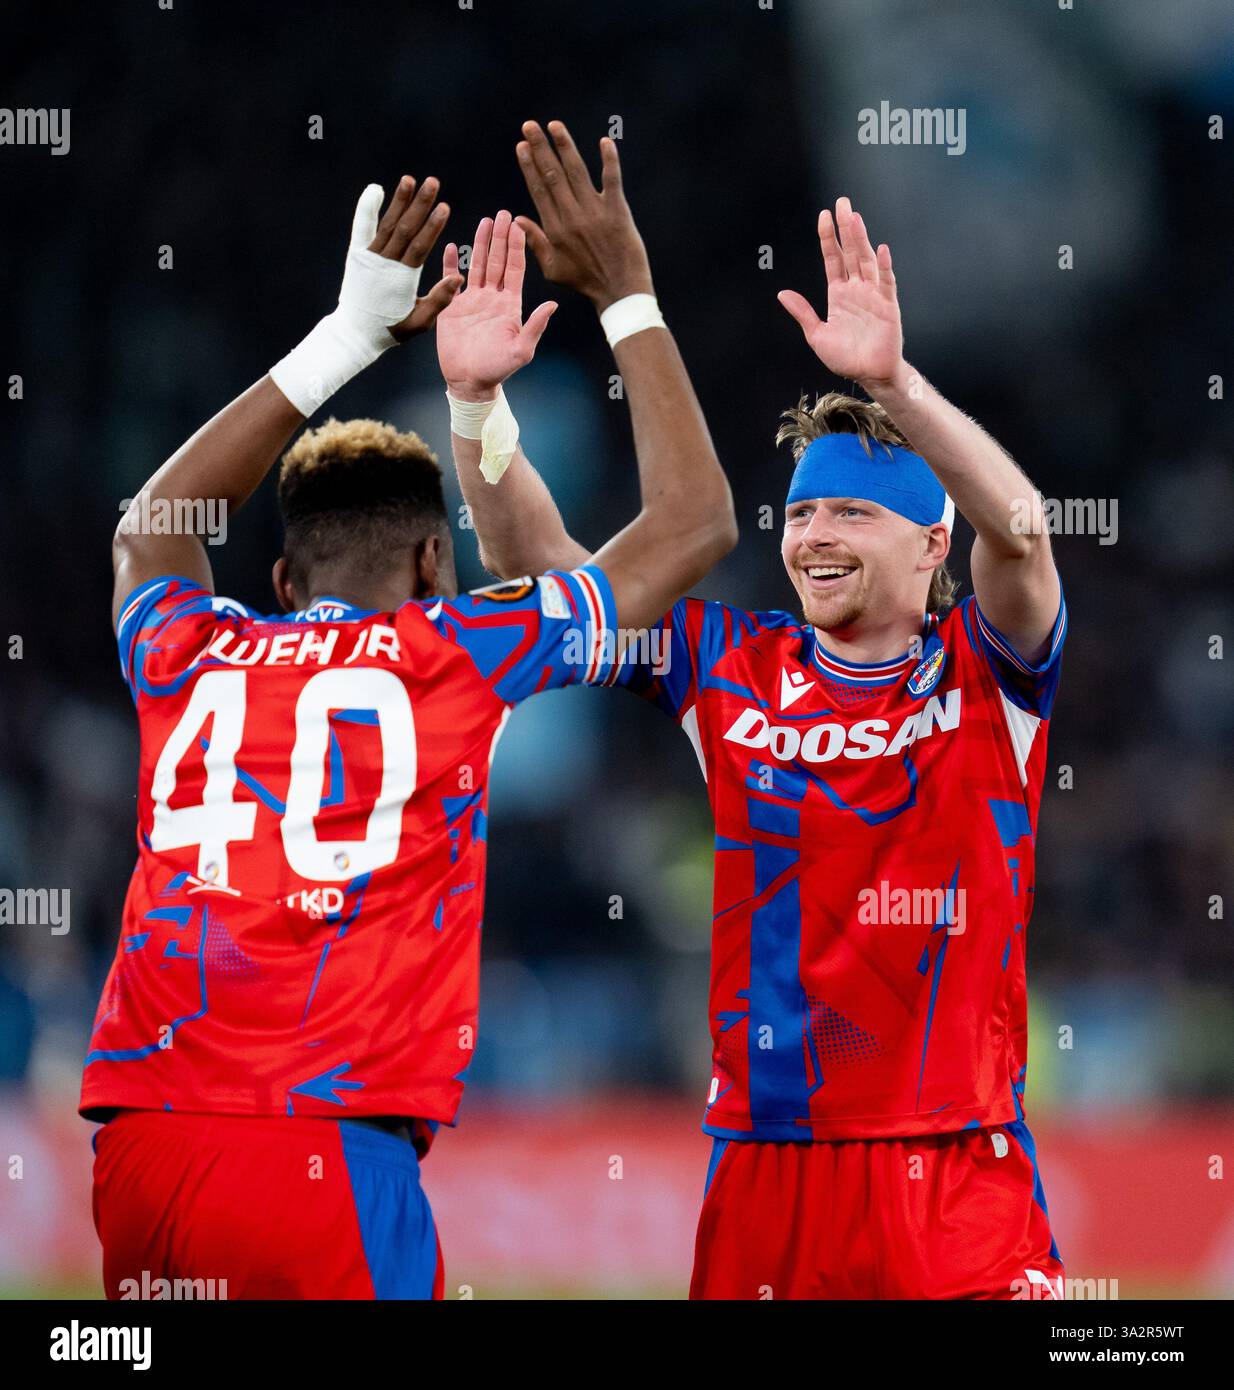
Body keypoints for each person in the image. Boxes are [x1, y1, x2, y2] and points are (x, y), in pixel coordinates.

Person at [83, 148, 735, 1299]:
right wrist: (624, 286)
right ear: (438, 560)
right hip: (319, 1150)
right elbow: (693, 527)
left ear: (283, 577)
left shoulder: (189, 653)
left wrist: (345, 339)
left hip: (139, 1144)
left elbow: (151, 526)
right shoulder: (454, 653)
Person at [452, 122, 1067, 1300]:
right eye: (799, 515)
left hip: (947, 1170)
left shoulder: (989, 674)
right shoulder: (725, 664)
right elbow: (546, 569)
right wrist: (479, 413)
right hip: (764, 1166)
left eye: (849, 515)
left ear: (930, 539)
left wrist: (891, 383)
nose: (812, 537)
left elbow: (1025, 530)